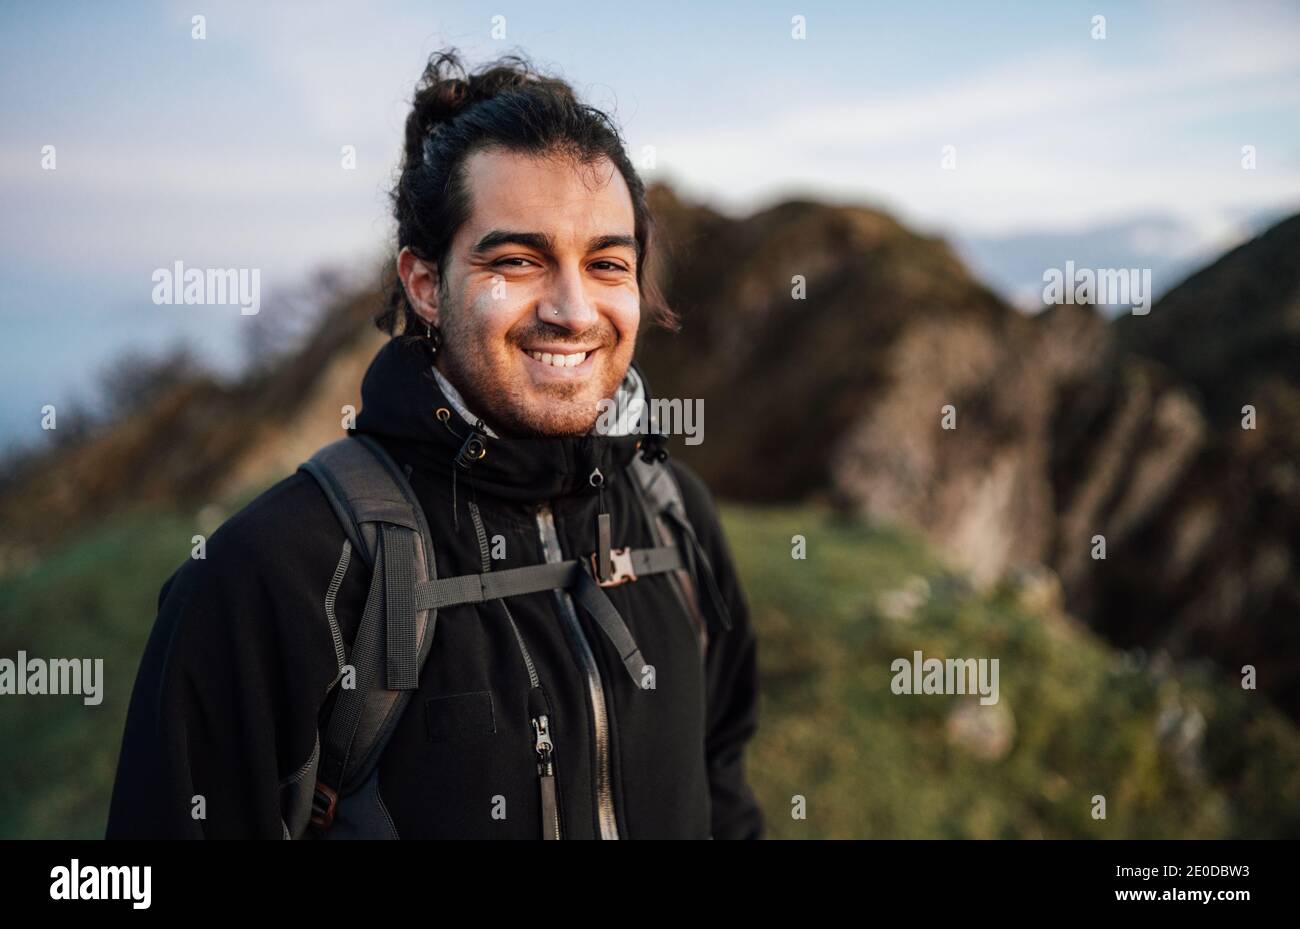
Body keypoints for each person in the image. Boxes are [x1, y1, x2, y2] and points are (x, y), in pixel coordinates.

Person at [106, 49, 762, 840]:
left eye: (606, 263)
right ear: (423, 284)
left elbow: (723, 786)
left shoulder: (675, 520)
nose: (572, 308)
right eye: (518, 260)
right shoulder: (268, 577)